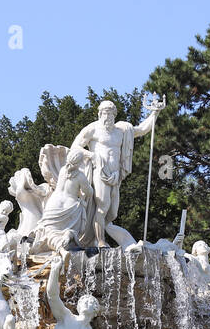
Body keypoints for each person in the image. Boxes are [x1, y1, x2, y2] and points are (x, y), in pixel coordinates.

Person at [68, 99, 163, 248]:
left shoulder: (122, 131)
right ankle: (99, 241)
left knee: (112, 213)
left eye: (111, 113)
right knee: (103, 205)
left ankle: (93, 233)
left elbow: (142, 129)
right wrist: (92, 155)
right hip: (99, 172)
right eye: (105, 113)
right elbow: (75, 147)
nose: (108, 116)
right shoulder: (93, 129)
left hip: (115, 174)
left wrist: (154, 113)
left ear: (115, 115)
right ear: (100, 114)